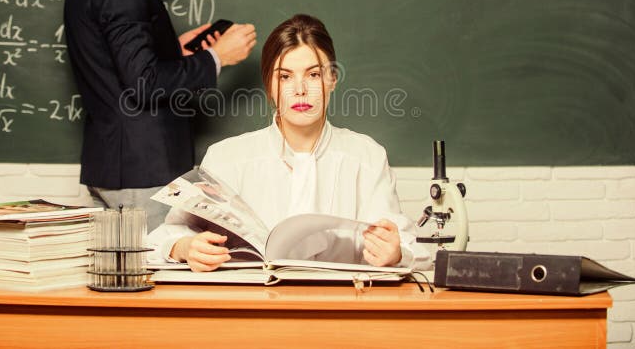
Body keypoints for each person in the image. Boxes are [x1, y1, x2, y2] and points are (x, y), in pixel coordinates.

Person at [148, 14, 431, 271]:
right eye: (285, 77)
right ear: (270, 84)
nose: (300, 90)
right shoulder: (226, 157)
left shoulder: (366, 156)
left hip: (341, 310)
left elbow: (410, 247)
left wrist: (395, 253)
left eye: (313, 74)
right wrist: (184, 247)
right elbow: (165, 236)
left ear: (332, 79)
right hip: (251, 307)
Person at [64, 0, 256, 230]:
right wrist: (217, 56)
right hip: (143, 169)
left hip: (115, 164)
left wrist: (174, 49)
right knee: (155, 275)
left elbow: (121, 65)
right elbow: (144, 84)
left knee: (124, 275)